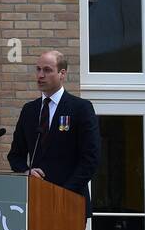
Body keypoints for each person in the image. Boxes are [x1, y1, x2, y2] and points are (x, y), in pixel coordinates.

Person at [6, 50, 100, 218]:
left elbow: (91, 159)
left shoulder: (80, 108)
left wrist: (63, 193)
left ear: (62, 73)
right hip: (36, 203)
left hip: (70, 202)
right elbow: (15, 156)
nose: (40, 75)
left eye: (47, 70)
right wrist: (26, 171)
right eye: (38, 69)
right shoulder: (29, 110)